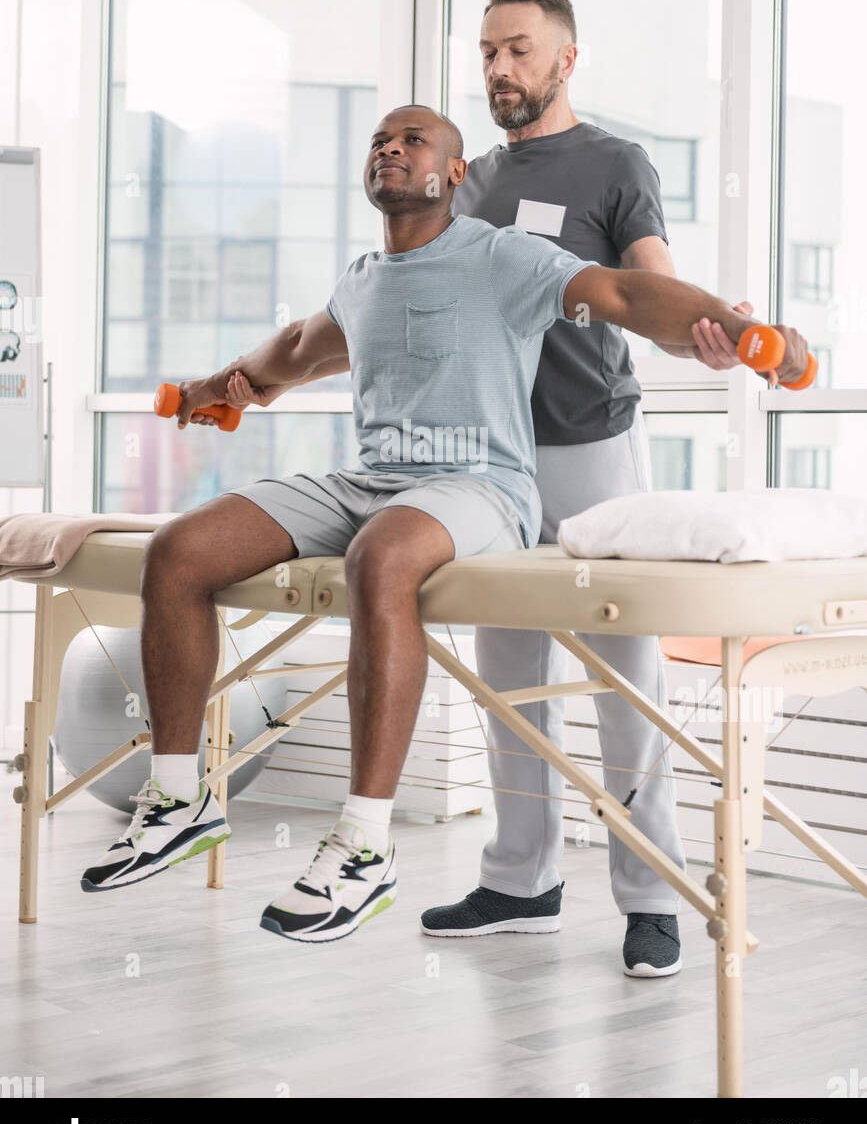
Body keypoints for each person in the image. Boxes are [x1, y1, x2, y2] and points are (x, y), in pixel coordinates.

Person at [80, 104, 808, 950]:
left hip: (480, 483)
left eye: (413, 139)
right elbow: (295, 350)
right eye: (380, 141)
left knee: (380, 556)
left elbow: (624, 291)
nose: (391, 148)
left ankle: (362, 845)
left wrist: (753, 337)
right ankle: (178, 798)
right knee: (179, 550)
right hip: (371, 480)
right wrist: (213, 387)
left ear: (456, 175)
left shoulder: (502, 257)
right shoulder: (361, 279)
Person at [419, 0, 753, 977]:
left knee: (623, 675)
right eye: (486, 52)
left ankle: (651, 893)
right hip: (493, 461)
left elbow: (648, 283)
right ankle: (521, 879)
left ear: (567, 59)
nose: (498, 70)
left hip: (592, 442)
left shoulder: (615, 161)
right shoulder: (466, 180)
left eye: (518, 50)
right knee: (509, 677)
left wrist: (708, 335)